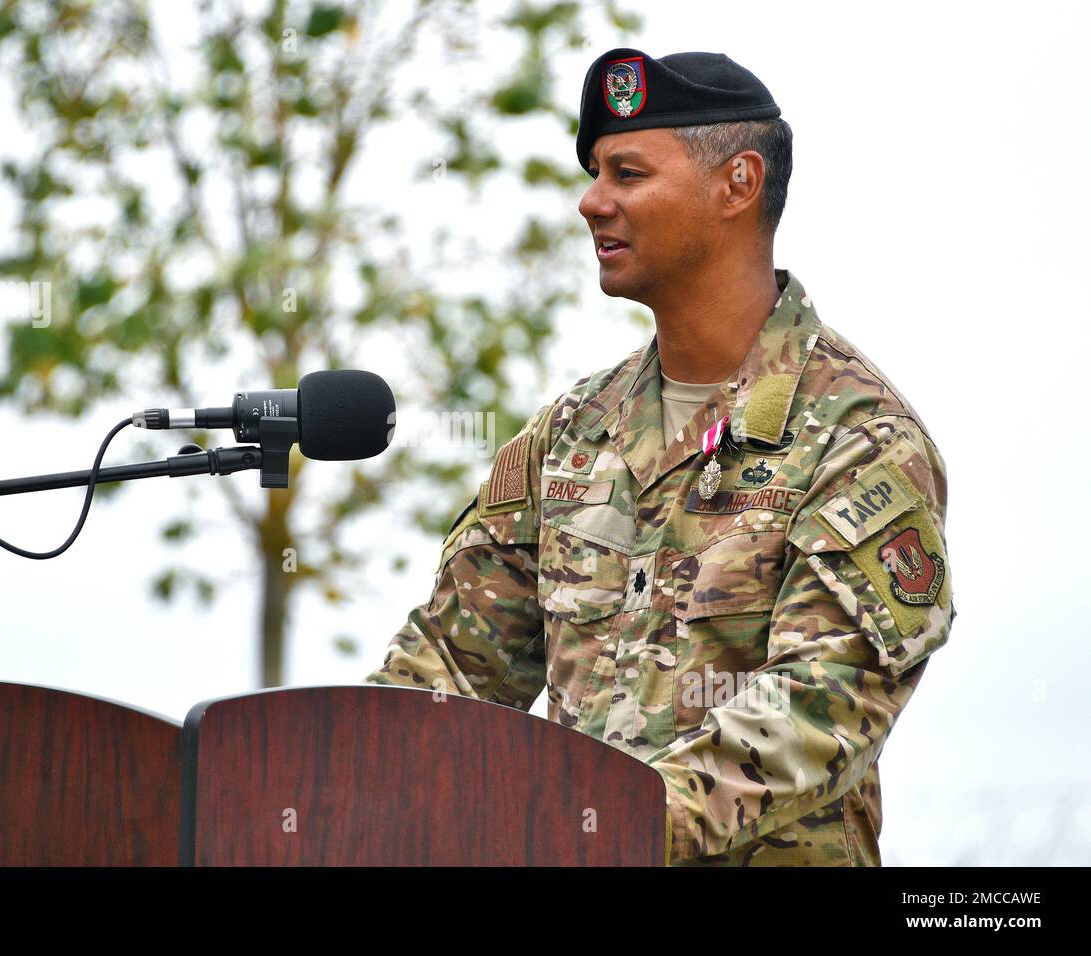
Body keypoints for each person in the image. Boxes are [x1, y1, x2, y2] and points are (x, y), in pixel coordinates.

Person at [365, 48, 954, 866]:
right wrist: (326, 784)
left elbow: (821, 711)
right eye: (595, 173)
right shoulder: (568, 434)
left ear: (737, 184)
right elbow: (451, 672)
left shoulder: (856, 439)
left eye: (628, 174)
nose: (591, 202)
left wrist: (595, 828)